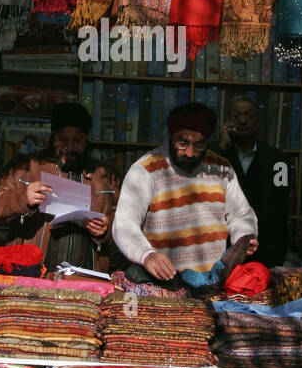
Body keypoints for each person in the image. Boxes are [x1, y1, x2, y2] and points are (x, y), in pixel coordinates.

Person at [112, 101, 258, 281]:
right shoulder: (145, 169)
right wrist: (146, 255)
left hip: (210, 283)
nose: (189, 153)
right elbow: (124, 224)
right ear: (171, 135)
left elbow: (241, 214)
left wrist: (244, 236)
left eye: (199, 145)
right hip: (162, 284)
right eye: (183, 142)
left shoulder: (222, 169)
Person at [0, 102, 119, 271]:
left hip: (85, 280)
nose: (69, 146)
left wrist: (106, 230)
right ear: (52, 136)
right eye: (62, 138)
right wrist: (23, 198)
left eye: (77, 139)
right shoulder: (25, 167)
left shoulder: (106, 177)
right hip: (30, 274)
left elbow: (126, 225)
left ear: (86, 139)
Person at [218, 95, 290, 266]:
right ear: (227, 122)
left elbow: (282, 206)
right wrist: (222, 147)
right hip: (223, 248)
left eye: (249, 115)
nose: (243, 121)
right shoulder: (216, 156)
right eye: (236, 116)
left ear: (258, 121)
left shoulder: (279, 160)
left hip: (266, 250)